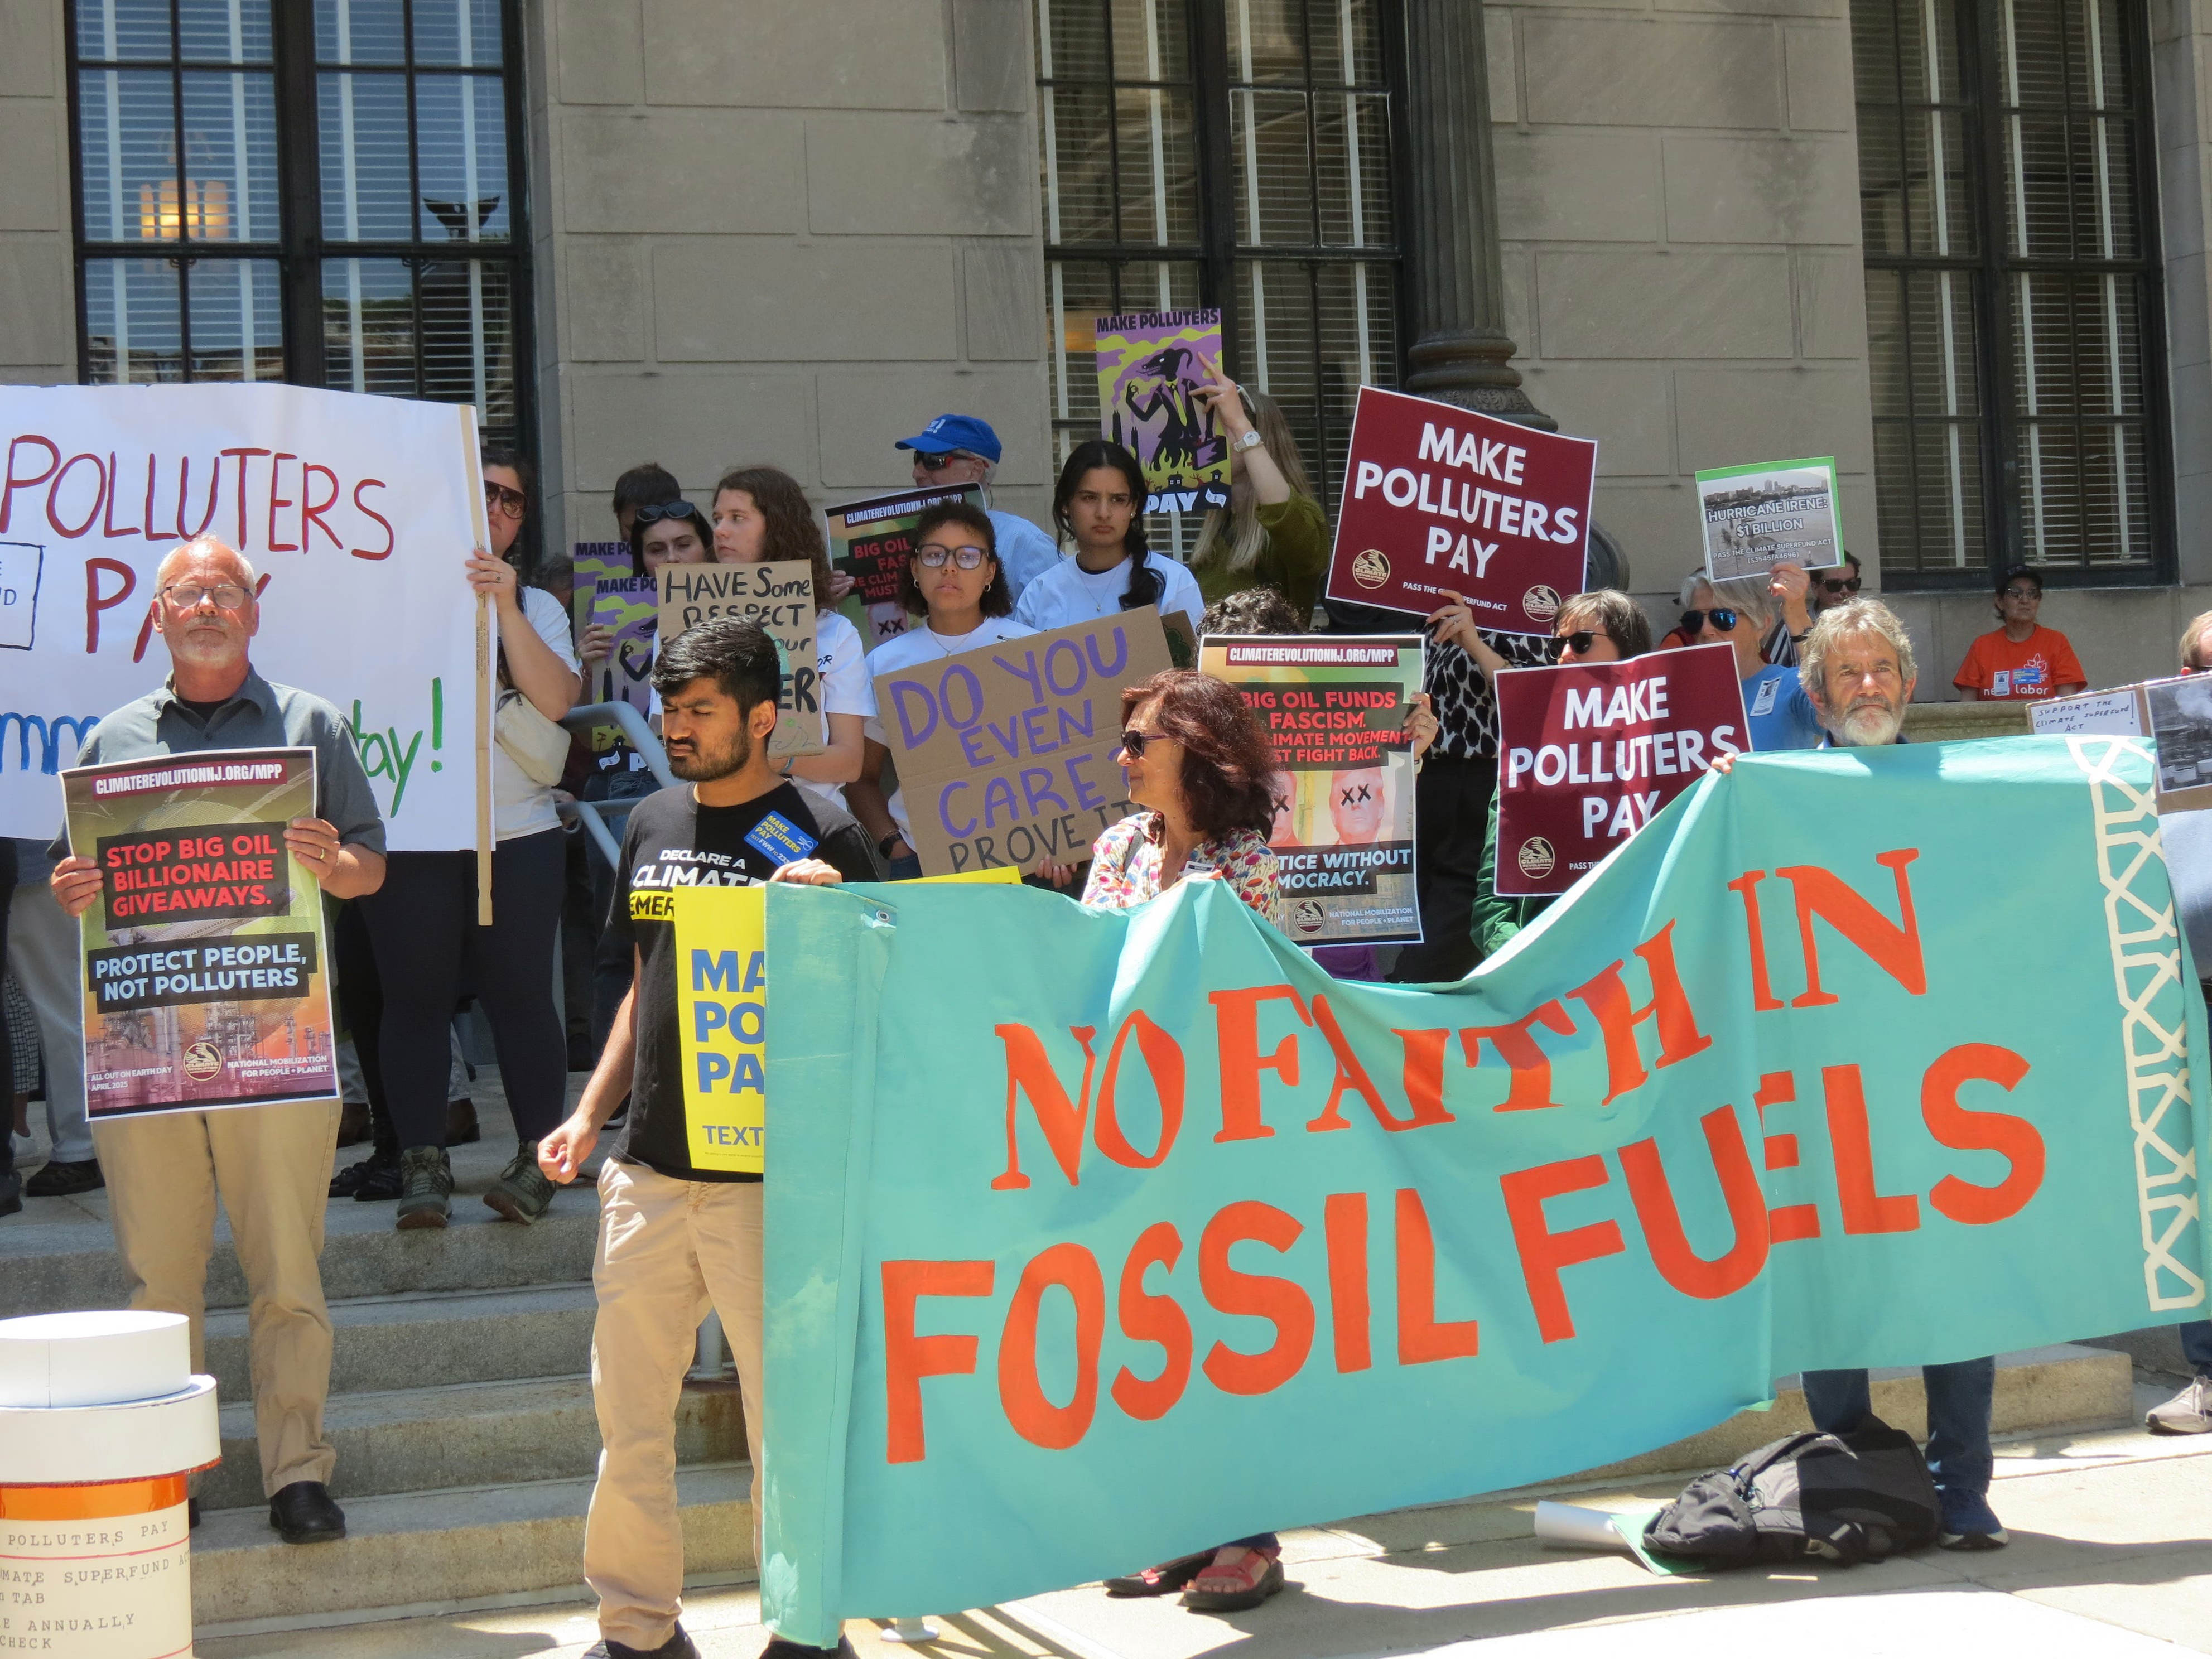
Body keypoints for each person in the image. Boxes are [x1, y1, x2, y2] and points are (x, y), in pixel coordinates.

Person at [537, 618, 880, 1659]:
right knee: (629, 1419)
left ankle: (807, 1627)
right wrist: (590, 1113)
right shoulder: (646, 819)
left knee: (792, 1428)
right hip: (645, 1172)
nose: (673, 727)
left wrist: (830, 920)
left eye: (698, 711)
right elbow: (645, 982)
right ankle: (638, 1628)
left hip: (774, 1183)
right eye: (667, 708)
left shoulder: (825, 827)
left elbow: (882, 996)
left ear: (764, 716)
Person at [47, 533, 387, 1545]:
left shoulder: (310, 726)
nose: (204, 605)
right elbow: (88, 881)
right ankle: (173, 1468)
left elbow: (374, 868)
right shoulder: (110, 740)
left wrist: (338, 864)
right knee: (161, 1278)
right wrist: (75, 889)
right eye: (185, 591)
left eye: (222, 589)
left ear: (253, 608)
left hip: (278, 1040)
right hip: (146, 1045)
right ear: (155, 616)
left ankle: (297, 1471)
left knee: (288, 1267)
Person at [1082, 668, 1286, 1614]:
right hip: (1126, 1125)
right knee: (1148, 1325)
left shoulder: (1246, 861)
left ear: (1196, 754)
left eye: (1140, 741)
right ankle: (1173, 1522)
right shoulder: (1120, 845)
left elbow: (1237, 999)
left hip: (1219, 1127)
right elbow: (1086, 972)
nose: (1122, 756)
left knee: (1226, 1328)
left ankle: (1248, 1533)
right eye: (1124, 739)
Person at [358, 450, 582, 1231]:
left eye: (513, 501)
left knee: (521, 997)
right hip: (413, 829)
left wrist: (508, 609)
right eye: (483, 492)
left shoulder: (537, 606)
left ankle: (537, 1157)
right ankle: (423, 1159)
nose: (498, 507)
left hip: (515, 831)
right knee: (413, 999)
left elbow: (555, 699)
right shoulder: (387, 589)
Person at [846, 501, 1034, 879]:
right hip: (919, 863)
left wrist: (1059, 848)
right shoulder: (883, 662)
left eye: (967, 556)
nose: (949, 567)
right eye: (934, 555)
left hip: (1022, 859)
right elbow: (860, 777)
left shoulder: (1029, 650)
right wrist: (893, 846)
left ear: (990, 572)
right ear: (915, 568)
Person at [1470, 590, 1654, 959]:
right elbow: (1491, 900)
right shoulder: (1527, 755)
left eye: (1581, 642)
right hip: (1545, 970)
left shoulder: (1675, 750)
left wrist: (1722, 782)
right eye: (1559, 644)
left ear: (1628, 651)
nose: (1565, 654)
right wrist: (1521, 957)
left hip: (1641, 962)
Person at [1389, 593, 1554, 982]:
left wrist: (1475, 643)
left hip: (1488, 779)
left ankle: (1411, 996)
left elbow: (1536, 704)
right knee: (1423, 912)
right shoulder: (1431, 611)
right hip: (1429, 778)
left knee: (1446, 927)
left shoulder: (1532, 610)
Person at [2144, 610, 2212, 1433]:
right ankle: (2209, 1372)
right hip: (2180, 990)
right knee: (2197, 1187)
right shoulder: (2144, 761)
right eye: (2202, 669)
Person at [1016, 440, 1207, 652]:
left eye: (1118, 499)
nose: (1103, 513)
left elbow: (1195, 676)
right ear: (1065, 504)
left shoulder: (1174, 582)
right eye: (1089, 498)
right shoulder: (1040, 593)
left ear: (1134, 507)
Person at [1187, 370, 1328, 620]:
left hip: (1274, 659)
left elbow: (1294, 533)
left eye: (1222, 429)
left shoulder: (1300, 516)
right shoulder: (1218, 528)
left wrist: (1241, 427)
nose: (1207, 441)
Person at [4, 832, 100, 1195]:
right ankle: (76, 1145)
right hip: (33, 852)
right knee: (56, 1001)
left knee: (58, 1002)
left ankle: (82, 1146)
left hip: (35, 853)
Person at [892, 413, 1061, 599]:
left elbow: (1056, 624)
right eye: (917, 458)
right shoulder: (901, 536)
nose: (917, 473)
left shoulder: (1025, 544)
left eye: (933, 461)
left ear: (975, 471)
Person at [1691, 573, 1824, 752]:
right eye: (1695, 620)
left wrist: (1798, 618)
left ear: (1761, 624)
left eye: (1722, 618)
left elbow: (1837, 719)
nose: (1706, 630)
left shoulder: (1791, 684)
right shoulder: (1678, 698)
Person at [1954, 564, 2086, 701]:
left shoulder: (2056, 642)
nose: (2025, 600)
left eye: (2032, 593)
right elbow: (1966, 710)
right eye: (2015, 593)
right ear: (2000, 602)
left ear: (2039, 601)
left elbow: (2068, 705)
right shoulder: (1982, 646)